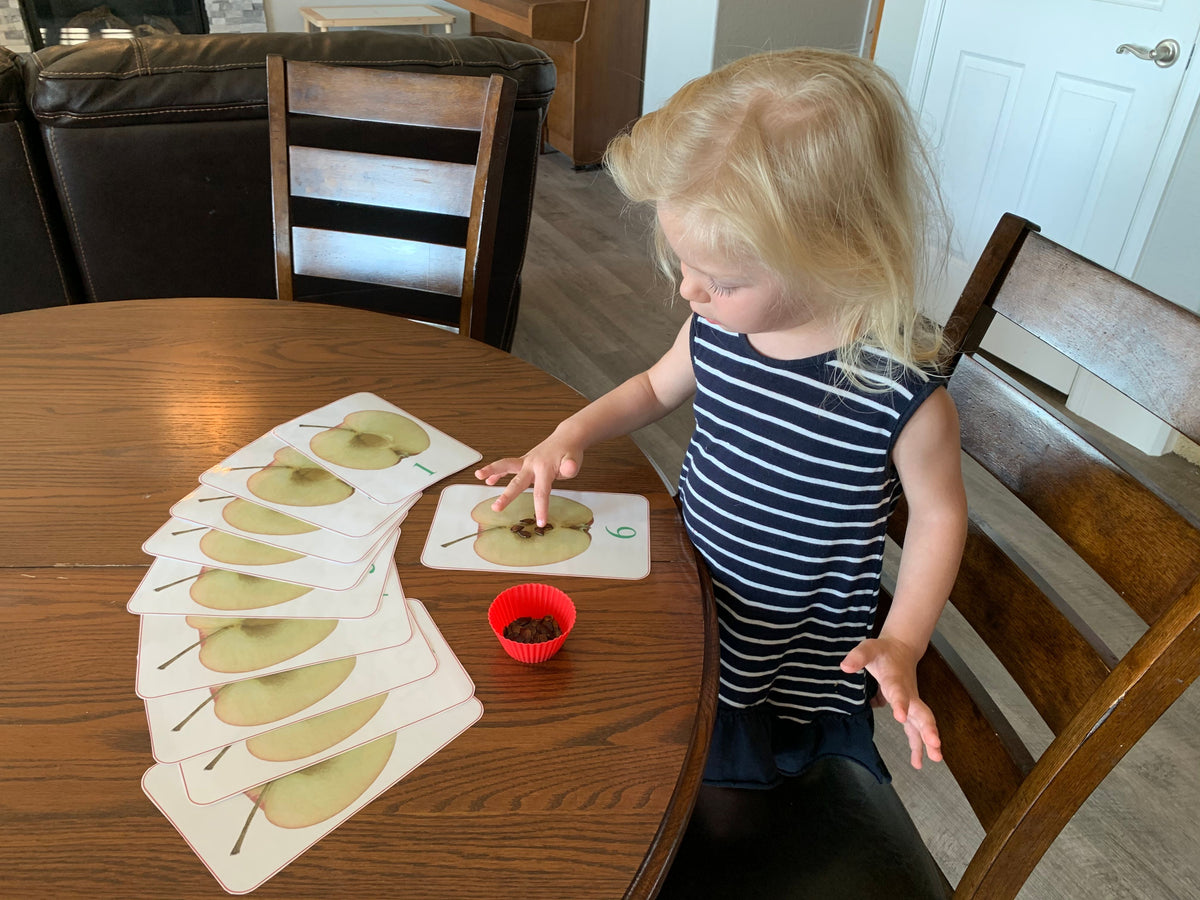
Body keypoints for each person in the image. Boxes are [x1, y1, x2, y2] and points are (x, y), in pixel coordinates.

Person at [475, 47, 968, 787]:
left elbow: (938, 519)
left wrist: (902, 640)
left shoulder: (900, 395)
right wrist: (567, 434)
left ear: (839, 253)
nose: (691, 294)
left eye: (722, 279)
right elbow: (651, 388)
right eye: (684, 267)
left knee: (721, 774)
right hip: (695, 580)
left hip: (786, 644)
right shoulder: (718, 328)